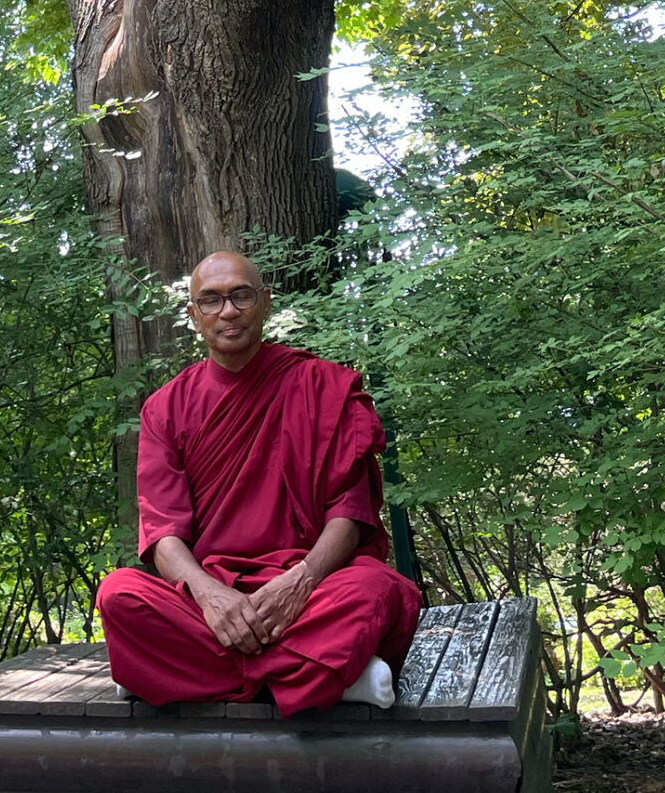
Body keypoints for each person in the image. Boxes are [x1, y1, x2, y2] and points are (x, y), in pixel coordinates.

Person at [97, 250, 422, 717]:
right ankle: (329, 673)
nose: (228, 311)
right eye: (210, 301)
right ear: (193, 315)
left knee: (377, 591)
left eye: (241, 296)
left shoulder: (321, 386)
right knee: (121, 594)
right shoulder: (166, 408)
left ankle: (170, 676)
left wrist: (301, 582)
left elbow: (349, 516)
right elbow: (163, 534)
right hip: (211, 594)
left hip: (311, 585)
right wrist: (211, 597)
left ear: (265, 302)